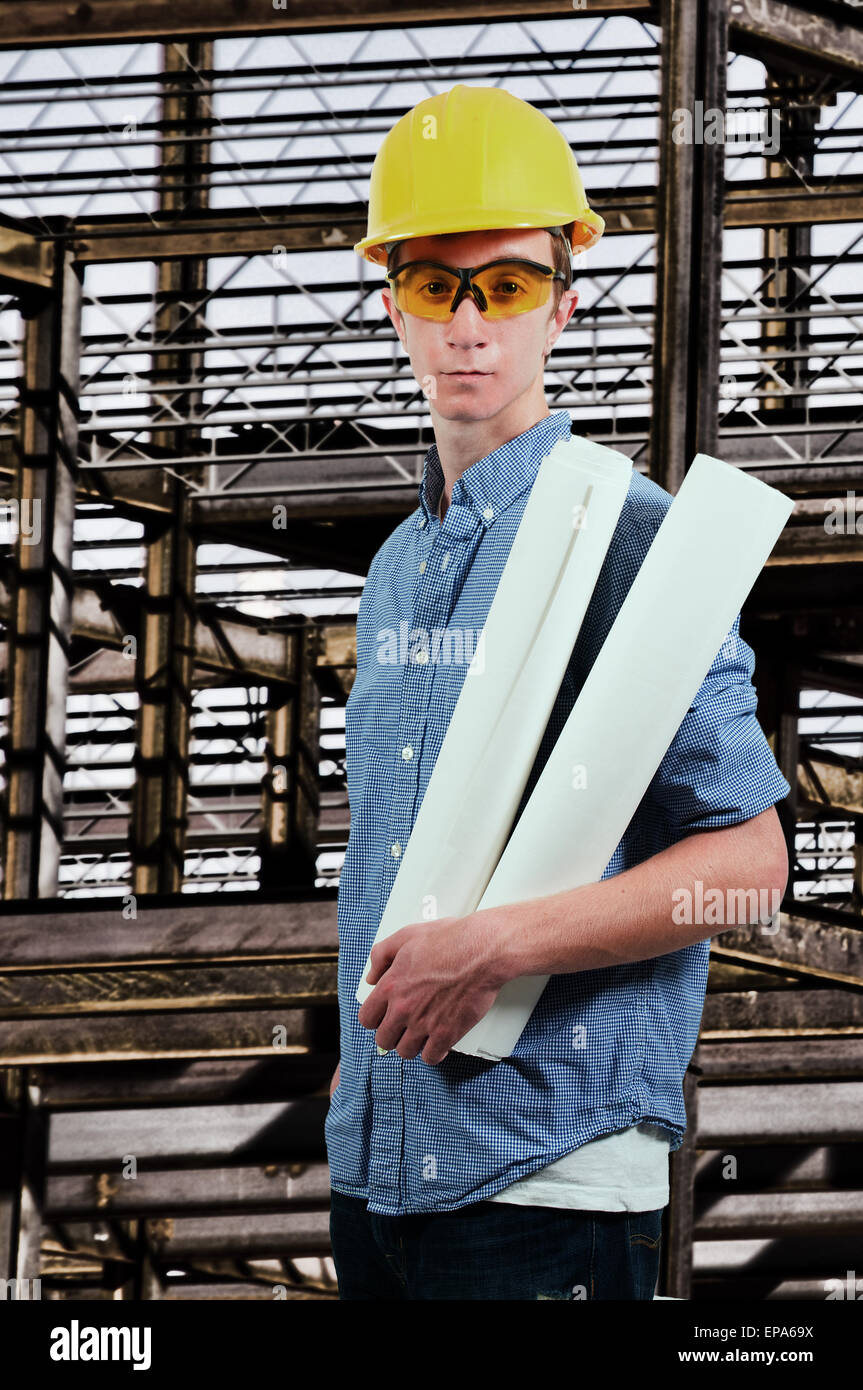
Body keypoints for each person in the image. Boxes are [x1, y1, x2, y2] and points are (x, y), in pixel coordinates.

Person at [324, 83, 790, 1300]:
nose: (469, 324)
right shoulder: (389, 574)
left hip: (544, 1181)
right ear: (392, 306)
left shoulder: (625, 536)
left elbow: (746, 869)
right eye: (436, 286)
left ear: (561, 306)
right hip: (375, 1182)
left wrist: (495, 950)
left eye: (508, 286)